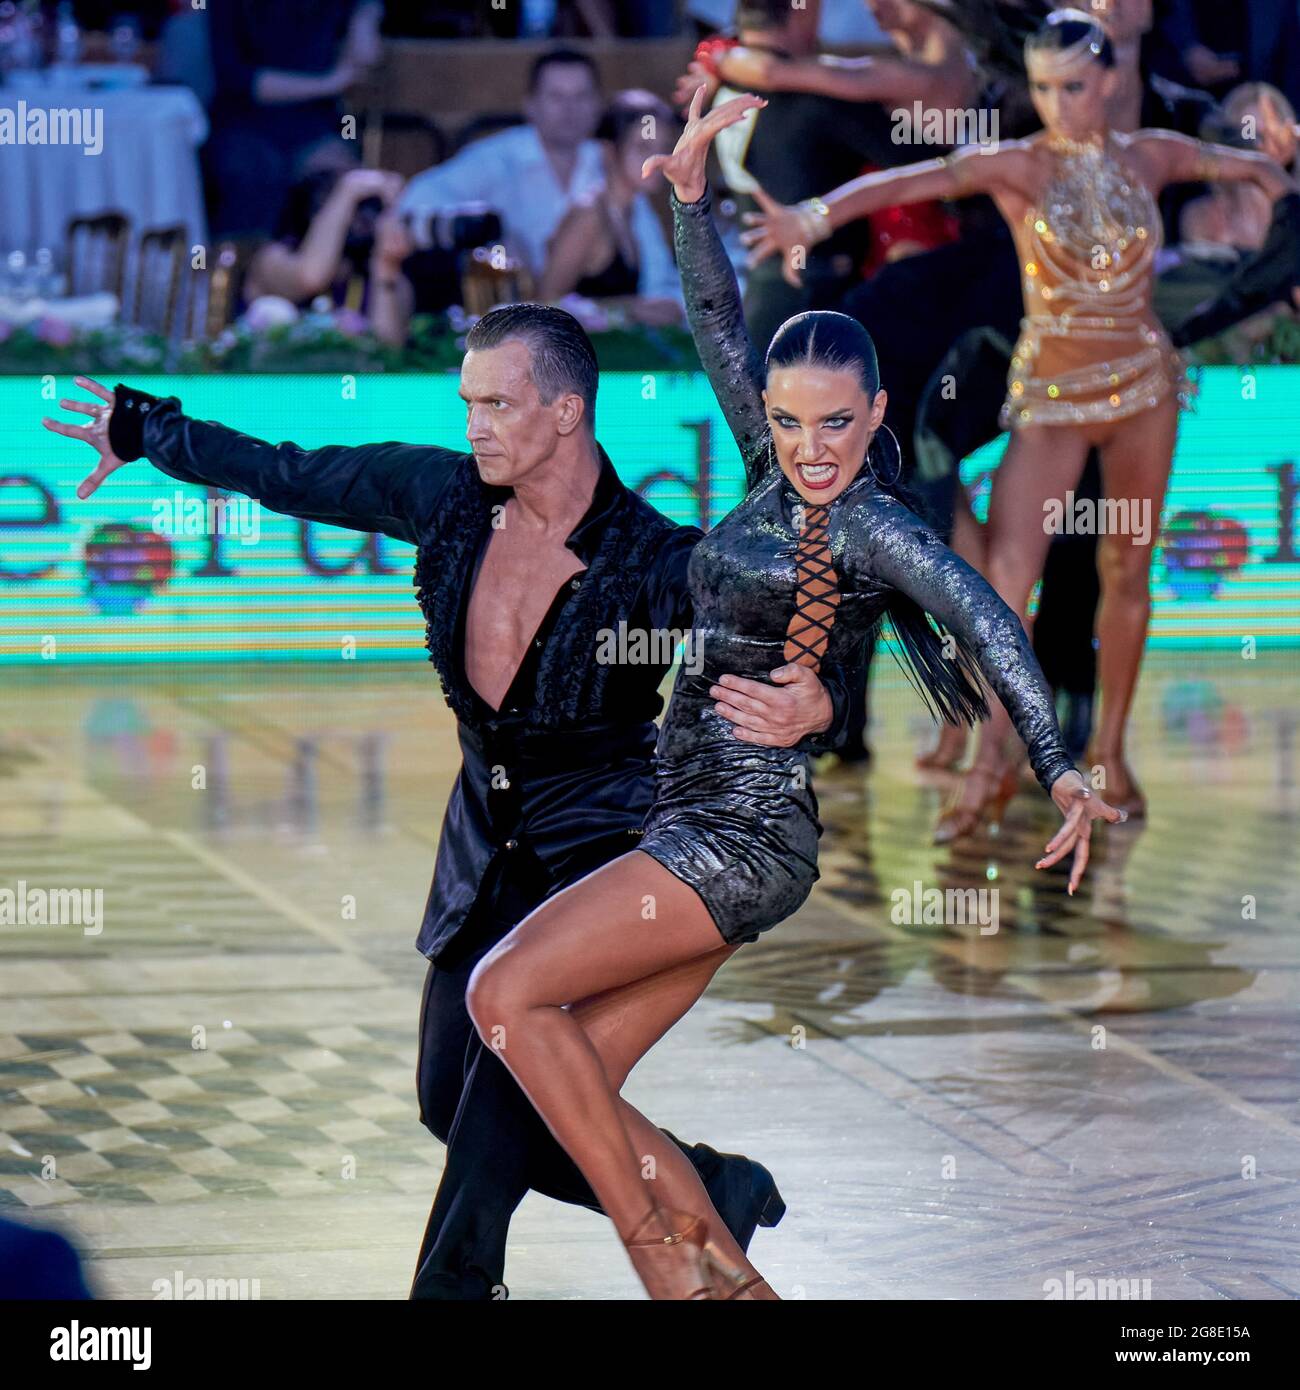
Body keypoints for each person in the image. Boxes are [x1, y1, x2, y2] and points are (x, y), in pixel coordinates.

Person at [454, 87, 1123, 1301]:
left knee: (502, 989)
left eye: (834, 424)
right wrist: (691, 197)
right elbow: (716, 312)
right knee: (563, 1090)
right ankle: (730, 1290)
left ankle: (665, 1251)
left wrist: (1060, 762)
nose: (811, 446)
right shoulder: (771, 471)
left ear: (875, 418)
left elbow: (984, 618)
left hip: (737, 838)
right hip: (692, 821)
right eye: (786, 421)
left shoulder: (874, 526)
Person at [40, 308, 848, 1301]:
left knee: (499, 1094)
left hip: (599, 844)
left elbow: (794, 619)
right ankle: (715, 1183)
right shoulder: (444, 498)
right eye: (466, 402)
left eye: (497, 403)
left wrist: (819, 695)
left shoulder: (649, 557)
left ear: (564, 411)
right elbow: (291, 470)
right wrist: (146, 431)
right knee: (447, 1100)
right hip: (483, 844)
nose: (475, 424)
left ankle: (454, 1286)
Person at [745, 8, 1298, 828]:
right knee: (1002, 581)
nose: (1058, 103)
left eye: (1073, 86)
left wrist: (1284, 228)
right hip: (1053, 394)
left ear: (1107, 83)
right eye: (1043, 87)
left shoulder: (1151, 155)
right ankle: (991, 756)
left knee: (1126, 573)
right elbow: (907, 184)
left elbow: (1255, 170)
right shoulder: (1021, 164)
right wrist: (811, 219)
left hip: (1144, 387)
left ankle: (1109, 752)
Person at [204, 0, 384, 238]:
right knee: (255, 174)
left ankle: (328, 269)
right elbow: (239, 82)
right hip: (243, 123)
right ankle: (246, 268)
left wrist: (366, 14)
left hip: (313, 124)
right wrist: (329, 83)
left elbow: (366, 59)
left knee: (347, 185)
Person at [539, 91, 685, 324]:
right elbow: (545, 304)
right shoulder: (588, 215)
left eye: (664, 148)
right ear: (609, 150)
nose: (657, 160)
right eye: (642, 147)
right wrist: (631, 309)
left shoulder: (632, 212)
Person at [243, 167, 415, 346]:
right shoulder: (272, 259)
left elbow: (387, 352)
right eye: (348, 208)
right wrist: (348, 190)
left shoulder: (386, 277)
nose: (360, 219)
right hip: (276, 372)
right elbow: (310, 278)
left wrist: (384, 270)